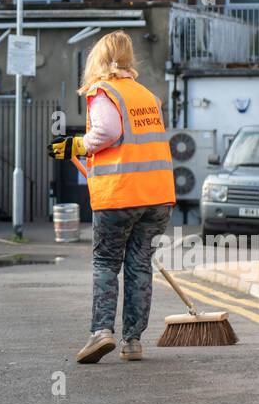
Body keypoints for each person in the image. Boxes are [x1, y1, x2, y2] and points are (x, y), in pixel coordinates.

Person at [48, 30, 175, 364]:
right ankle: (132, 342)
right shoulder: (145, 95)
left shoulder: (104, 91)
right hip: (157, 196)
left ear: (98, 60)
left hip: (120, 196)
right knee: (138, 266)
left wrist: (77, 144)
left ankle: (101, 331)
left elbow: (106, 132)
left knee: (106, 262)